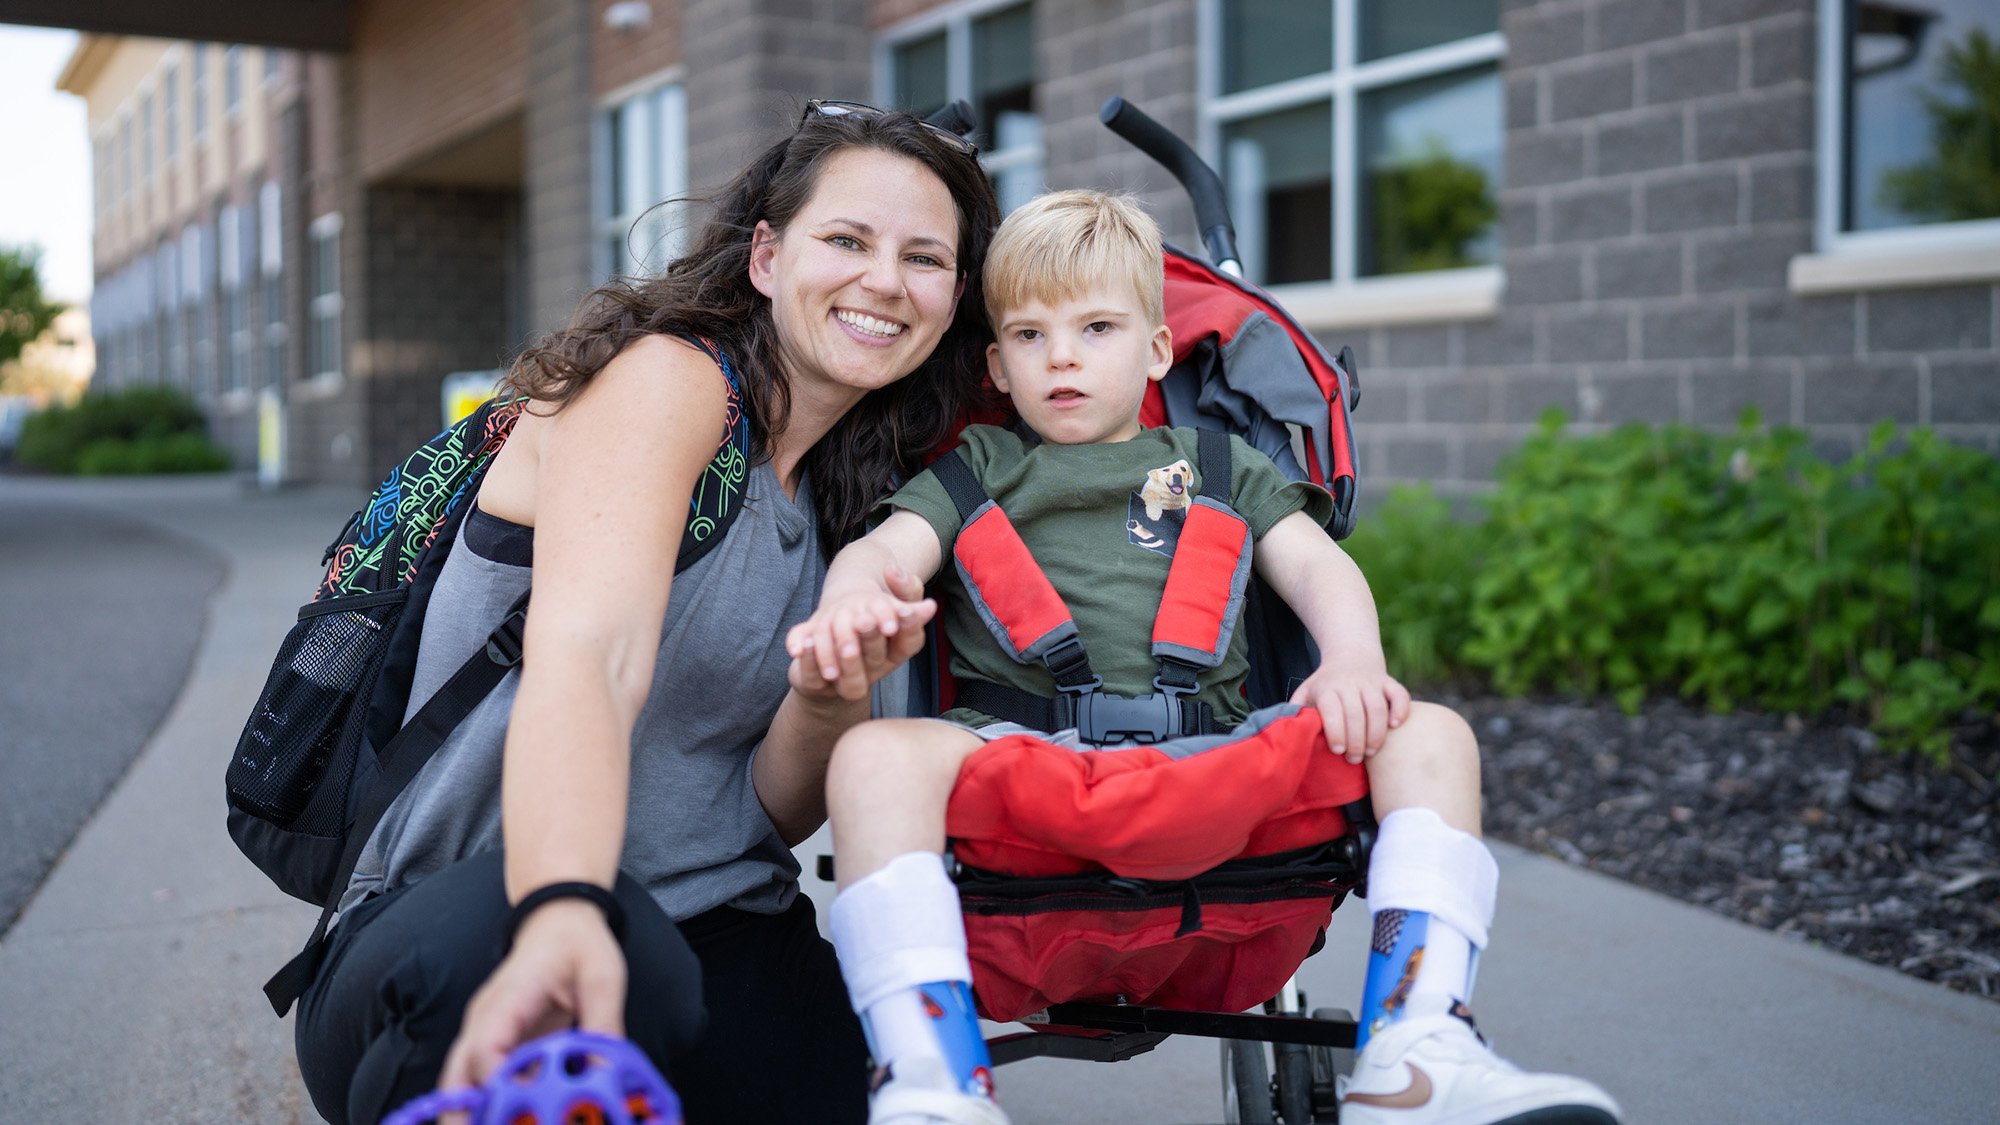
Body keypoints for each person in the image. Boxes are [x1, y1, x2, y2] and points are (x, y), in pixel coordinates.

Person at [787, 191, 1626, 1125]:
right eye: (1028, 334)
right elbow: (886, 549)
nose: (1060, 354)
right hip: (1021, 760)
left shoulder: (1222, 469)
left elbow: (1320, 568)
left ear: (1155, 352)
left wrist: (1350, 657)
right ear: (996, 364)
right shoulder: (977, 469)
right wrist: (856, 594)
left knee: (1430, 735)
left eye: (1096, 326)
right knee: (870, 755)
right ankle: (929, 1076)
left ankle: (1417, 1047)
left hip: (1223, 755)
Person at [289, 103, 1000, 1125]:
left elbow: (768, 810)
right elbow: (590, 654)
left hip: (720, 929)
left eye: (922, 258)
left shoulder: (865, 498)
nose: (883, 280)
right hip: (462, 927)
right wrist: (566, 906)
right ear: (765, 257)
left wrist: (829, 692)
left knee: (837, 1057)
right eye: (845, 240)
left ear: (951, 298)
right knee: (635, 965)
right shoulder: (667, 382)